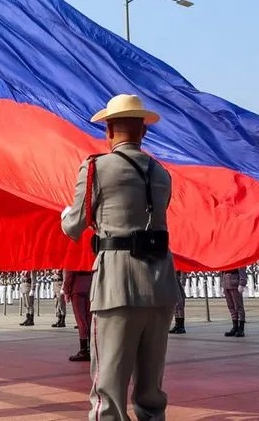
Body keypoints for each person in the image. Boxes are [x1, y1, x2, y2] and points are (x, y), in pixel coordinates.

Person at [61, 94, 177, 421]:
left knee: (108, 387)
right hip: (161, 285)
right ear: (144, 131)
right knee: (151, 389)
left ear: (109, 130)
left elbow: (75, 226)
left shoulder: (97, 167)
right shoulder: (162, 173)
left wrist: (64, 216)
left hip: (118, 284)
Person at [63, 269, 93, 361]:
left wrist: (66, 291)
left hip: (77, 289)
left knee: (81, 320)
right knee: (89, 320)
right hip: (89, 288)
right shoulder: (90, 257)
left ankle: (84, 350)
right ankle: (91, 349)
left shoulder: (73, 258)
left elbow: (69, 275)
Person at [222, 267, 248, 338]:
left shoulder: (236, 257)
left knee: (239, 306)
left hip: (235, 283)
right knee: (231, 307)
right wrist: (223, 284)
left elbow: (242, 269)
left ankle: (241, 328)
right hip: (226, 283)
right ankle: (235, 327)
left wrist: (242, 283)